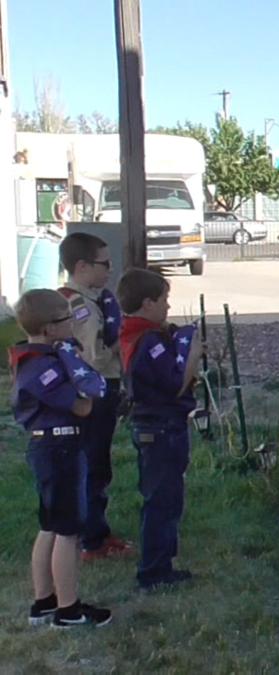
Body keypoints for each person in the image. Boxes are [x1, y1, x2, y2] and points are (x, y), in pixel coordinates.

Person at [10, 288, 113, 627]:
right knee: (68, 531)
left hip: (53, 447)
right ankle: (68, 609)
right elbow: (82, 405)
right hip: (59, 448)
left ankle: (45, 601)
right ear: (50, 328)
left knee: (51, 526)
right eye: (67, 318)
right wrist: (78, 370)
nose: (73, 323)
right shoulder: (43, 366)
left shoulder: (40, 359)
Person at [117, 268, 205, 590]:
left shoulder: (134, 333)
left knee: (164, 497)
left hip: (152, 425)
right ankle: (154, 571)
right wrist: (192, 357)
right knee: (162, 501)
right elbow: (174, 385)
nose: (168, 307)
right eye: (164, 300)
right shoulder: (148, 341)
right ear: (147, 303)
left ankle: (162, 562)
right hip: (161, 427)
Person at [58, 232, 133, 561]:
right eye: (105, 264)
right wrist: (126, 339)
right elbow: (96, 356)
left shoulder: (89, 300)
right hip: (97, 389)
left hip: (96, 390)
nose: (110, 270)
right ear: (82, 266)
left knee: (94, 462)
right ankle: (92, 538)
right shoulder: (82, 307)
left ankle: (92, 530)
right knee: (94, 464)